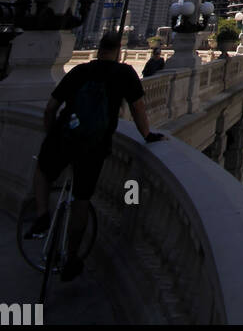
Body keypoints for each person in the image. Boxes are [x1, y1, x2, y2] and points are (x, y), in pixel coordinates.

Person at [25, 30, 164, 280]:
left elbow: (51, 108)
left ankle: (42, 215)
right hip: (94, 146)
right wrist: (147, 135)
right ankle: (72, 255)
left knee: (43, 170)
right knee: (81, 199)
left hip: (65, 137)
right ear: (119, 50)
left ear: (99, 49)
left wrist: (52, 134)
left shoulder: (80, 72)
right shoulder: (124, 74)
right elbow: (139, 109)